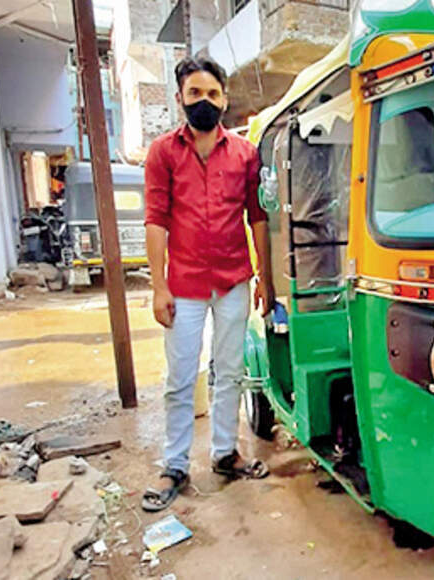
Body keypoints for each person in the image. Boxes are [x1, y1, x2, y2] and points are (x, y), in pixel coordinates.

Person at [140, 56, 274, 512]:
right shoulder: (162, 153)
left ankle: (224, 453)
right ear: (179, 98)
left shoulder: (245, 154)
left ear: (225, 100)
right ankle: (174, 464)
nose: (204, 102)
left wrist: (265, 280)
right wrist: (159, 286)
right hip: (185, 284)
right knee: (180, 379)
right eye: (195, 94)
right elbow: (156, 221)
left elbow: (258, 218)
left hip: (234, 278)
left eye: (212, 94)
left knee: (230, 370)